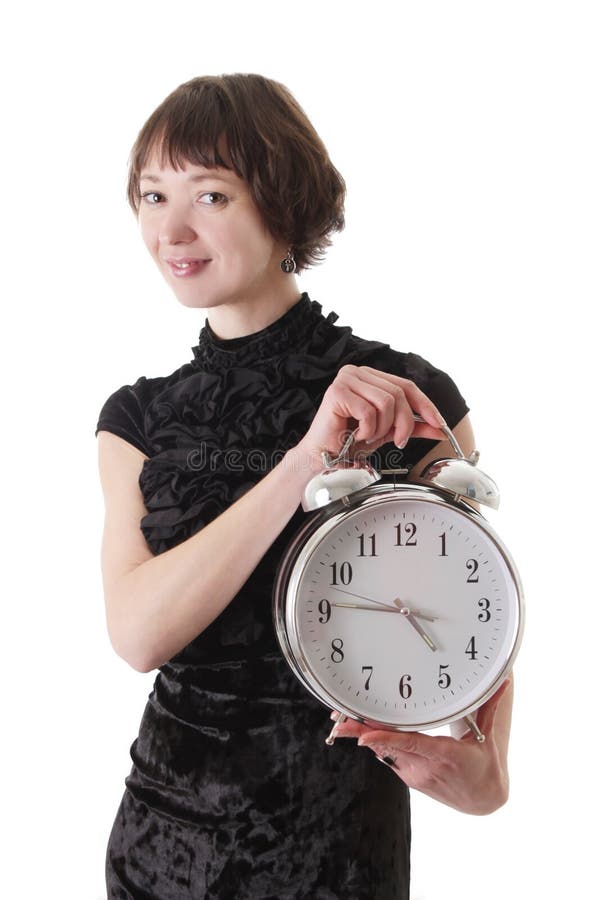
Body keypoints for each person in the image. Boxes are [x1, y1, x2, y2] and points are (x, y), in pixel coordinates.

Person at [95, 73, 514, 900]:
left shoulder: (406, 397)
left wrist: (486, 775)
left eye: (210, 194)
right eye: (152, 195)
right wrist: (301, 464)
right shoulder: (136, 420)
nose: (170, 229)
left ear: (282, 205)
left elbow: (476, 612)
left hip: (338, 859)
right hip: (159, 852)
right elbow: (139, 636)